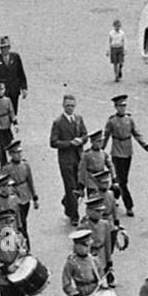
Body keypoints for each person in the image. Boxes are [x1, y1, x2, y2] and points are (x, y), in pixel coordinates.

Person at [102, 94, 148, 216]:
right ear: (116, 107)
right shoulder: (112, 121)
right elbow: (105, 136)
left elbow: (136, 134)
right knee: (122, 181)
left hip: (127, 150)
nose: (123, 108)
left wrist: (145, 146)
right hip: (117, 151)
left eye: (124, 105)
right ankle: (129, 205)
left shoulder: (129, 120)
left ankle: (113, 195)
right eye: (120, 106)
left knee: (122, 178)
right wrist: (100, 150)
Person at [49, 92, 88, 225]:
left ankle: (67, 202)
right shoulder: (58, 122)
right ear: (63, 106)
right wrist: (69, 143)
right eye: (67, 105)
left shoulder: (78, 119)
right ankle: (74, 215)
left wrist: (81, 140)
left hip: (79, 157)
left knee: (79, 184)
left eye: (72, 105)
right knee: (71, 186)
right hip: (65, 159)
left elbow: (85, 134)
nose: (70, 108)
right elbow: (53, 142)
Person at [0, 36, 28, 120]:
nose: (3, 50)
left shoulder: (15, 57)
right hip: (2, 92)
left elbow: (21, 73)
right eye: (2, 48)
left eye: (5, 47)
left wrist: (24, 87)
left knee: (13, 112)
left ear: (9, 48)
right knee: (2, 113)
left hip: (14, 90)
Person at [5, 140, 38, 237]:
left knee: (23, 219)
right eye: (15, 153)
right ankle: (26, 245)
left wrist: (35, 198)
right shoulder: (7, 168)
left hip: (26, 196)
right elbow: (6, 185)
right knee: (22, 223)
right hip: (15, 198)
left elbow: (30, 181)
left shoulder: (25, 165)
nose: (18, 155)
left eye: (20, 152)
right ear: (10, 154)